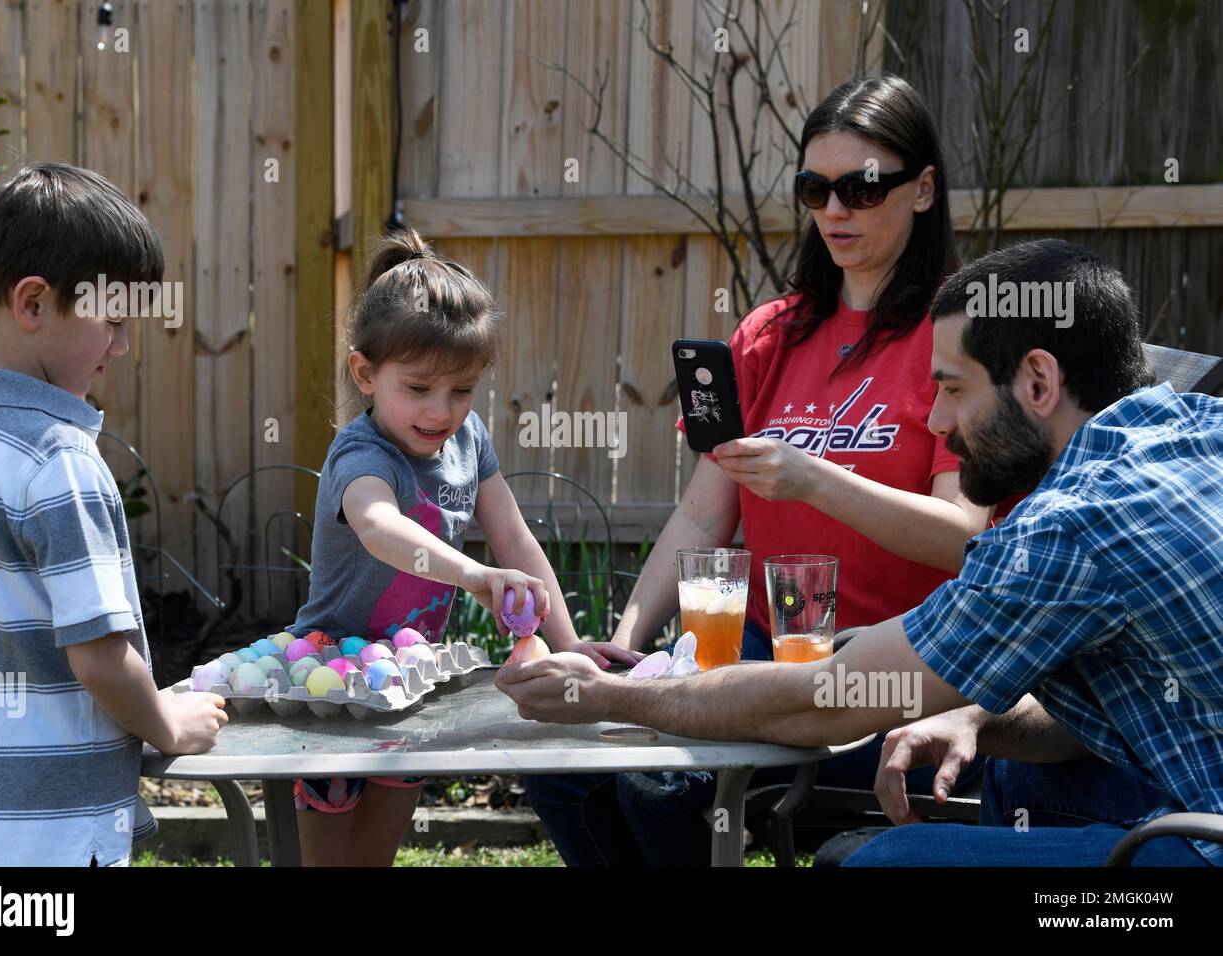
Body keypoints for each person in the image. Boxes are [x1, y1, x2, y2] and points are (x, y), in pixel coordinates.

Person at [499, 238, 1221, 868]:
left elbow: (828, 702)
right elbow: (1153, 693)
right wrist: (982, 717)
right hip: (1185, 802)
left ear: (1038, 382)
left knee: (884, 866)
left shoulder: (1072, 527)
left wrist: (610, 696)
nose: (938, 420)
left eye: (953, 390)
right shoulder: (1199, 426)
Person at [522, 73, 1000, 866]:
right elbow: (704, 518)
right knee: (567, 769)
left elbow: (964, 540)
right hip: (749, 651)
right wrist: (625, 646)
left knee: (658, 786)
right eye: (816, 188)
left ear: (922, 190)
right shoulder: (769, 335)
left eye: (862, 187)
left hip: (884, 669)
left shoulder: (960, 339)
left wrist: (814, 478)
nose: (835, 211)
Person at [285, 228, 640, 866]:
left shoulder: (467, 441)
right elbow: (379, 528)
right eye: (418, 388)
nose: (442, 410)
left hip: (413, 687)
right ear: (365, 373)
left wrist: (568, 642)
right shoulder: (362, 453)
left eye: (462, 389)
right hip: (332, 686)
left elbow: (516, 540)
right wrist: (477, 577)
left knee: (375, 858)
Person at [0, 162, 228, 866]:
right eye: (113, 321)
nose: (120, 346)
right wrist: (167, 726)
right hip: (64, 829)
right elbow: (100, 659)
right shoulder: (59, 459)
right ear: (32, 303)